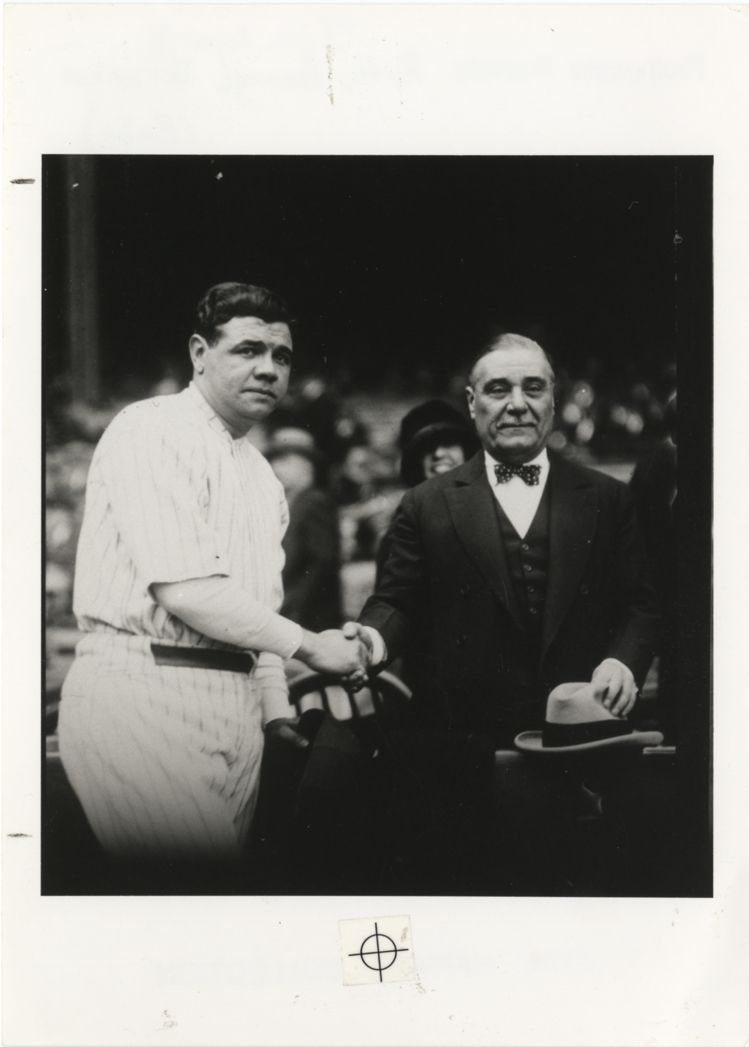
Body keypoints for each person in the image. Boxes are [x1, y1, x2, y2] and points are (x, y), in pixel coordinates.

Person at [57, 282, 366, 890]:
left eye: (281, 357)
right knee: (190, 901)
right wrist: (314, 646)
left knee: (211, 907)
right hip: (142, 689)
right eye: (248, 349)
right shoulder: (151, 428)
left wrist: (276, 712)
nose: (268, 368)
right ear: (200, 352)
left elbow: (258, 616)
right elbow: (189, 591)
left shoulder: (262, 477)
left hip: (234, 710)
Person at [341, 332, 660, 892]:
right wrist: (371, 640)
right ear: (473, 404)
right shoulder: (426, 503)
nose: (516, 403)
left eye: (532, 387)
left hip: (582, 746)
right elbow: (396, 601)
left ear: (553, 400)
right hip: (468, 757)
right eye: (498, 388)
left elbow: (643, 602)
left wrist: (625, 663)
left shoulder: (609, 498)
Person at [266, 430, 343, 633]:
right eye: (274, 461)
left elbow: (322, 562)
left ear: (308, 465)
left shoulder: (314, 501)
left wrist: (293, 610)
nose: (276, 468)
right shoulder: (293, 502)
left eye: (285, 460)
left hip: (310, 620)